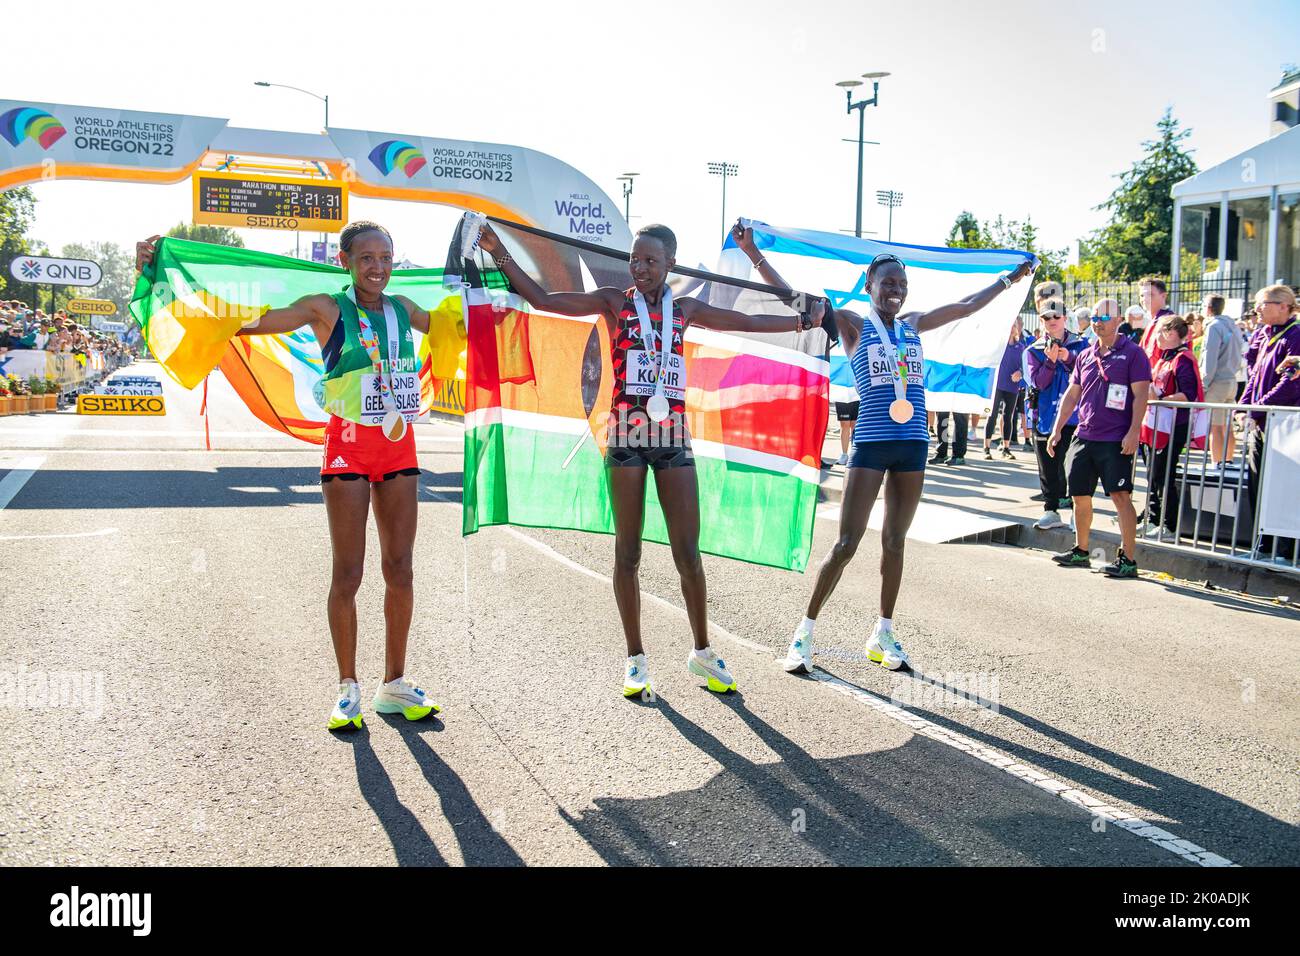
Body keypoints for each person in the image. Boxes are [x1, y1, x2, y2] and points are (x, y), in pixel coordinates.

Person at [477, 220, 823, 698]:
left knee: (688, 554)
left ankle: (701, 651)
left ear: (670, 265)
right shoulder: (614, 302)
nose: (639, 268)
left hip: (673, 436)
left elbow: (748, 323)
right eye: (634, 260)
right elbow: (544, 301)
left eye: (650, 261)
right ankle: (635, 659)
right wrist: (499, 252)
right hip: (626, 435)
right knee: (629, 552)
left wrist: (803, 322)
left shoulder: (686, 310)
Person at [137, 222, 447, 732]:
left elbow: (461, 325)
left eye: (385, 256)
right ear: (346, 261)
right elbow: (249, 323)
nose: (377, 266)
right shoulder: (324, 307)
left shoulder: (404, 310)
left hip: (399, 449)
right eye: (366, 257)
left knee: (402, 569)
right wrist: (163, 276)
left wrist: (493, 276)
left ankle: (393, 683)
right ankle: (346, 688)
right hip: (347, 450)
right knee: (348, 574)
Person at [781, 252, 1033, 674]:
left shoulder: (913, 325)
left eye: (901, 284)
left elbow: (968, 306)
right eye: (888, 283)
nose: (895, 290)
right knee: (845, 545)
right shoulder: (852, 325)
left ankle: (882, 634)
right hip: (871, 446)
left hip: (913, 444)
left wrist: (1009, 279)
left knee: (895, 543)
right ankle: (803, 634)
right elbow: (794, 299)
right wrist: (754, 255)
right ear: (869, 284)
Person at [1047, 300, 1152, 578]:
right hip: (1085, 435)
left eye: (1104, 316)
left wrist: (1133, 431)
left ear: (1118, 319)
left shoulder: (1133, 353)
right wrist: (1057, 429)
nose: (1098, 321)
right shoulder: (1085, 354)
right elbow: (1072, 395)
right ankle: (1081, 551)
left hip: (1116, 439)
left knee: (1120, 496)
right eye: (1094, 317)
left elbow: (1141, 394)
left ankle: (1127, 559)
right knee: (1079, 496)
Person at [1238, 284, 1300, 562]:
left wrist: (1258, 409)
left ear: (1284, 306)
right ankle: (1263, 544)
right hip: (1262, 423)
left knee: (1284, 487)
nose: (1257, 309)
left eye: (1264, 303)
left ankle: (1286, 549)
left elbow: (1291, 383)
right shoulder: (1263, 335)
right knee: (1257, 483)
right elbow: (1253, 377)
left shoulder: (1295, 336)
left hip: (1285, 424)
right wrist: (1244, 406)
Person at [1025, 298, 1089, 528]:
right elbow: (1038, 383)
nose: (1051, 321)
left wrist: (1068, 358)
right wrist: (1051, 362)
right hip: (1045, 417)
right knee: (1048, 467)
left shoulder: (1081, 346)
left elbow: (1088, 378)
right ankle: (1051, 510)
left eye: (1056, 316)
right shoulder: (1033, 350)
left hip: (1075, 417)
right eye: (1046, 317)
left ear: (1064, 318)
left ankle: (1076, 514)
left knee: (1075, 467)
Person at [1142, 314, 1203, 534]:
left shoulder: (1183, 358)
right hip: (1157, 423)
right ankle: (1153, 517)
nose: (1155, 337)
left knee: (1164, 474)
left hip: (1174, 425)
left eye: (1158, 332)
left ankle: (1169, 525)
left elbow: (1188, 394)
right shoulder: (1164, 358)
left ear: (1170, 333)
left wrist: (1159, 400)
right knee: (1153, 473)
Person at [1198, 294, 1245, 465]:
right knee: (1227, 425)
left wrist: (1204, 384)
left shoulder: (1214, 327)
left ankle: (1217, 463)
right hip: (1232, 379)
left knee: (1215, 426)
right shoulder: (1233, 326)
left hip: (1217, 381)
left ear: (1208, 309)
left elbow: (1210, 357)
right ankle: (1228, 460)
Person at [984, 317, 1028, 460]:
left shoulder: (1021, 347)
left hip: (1012, 386)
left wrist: (1020, 373)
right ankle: (986, 448)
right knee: (992, 415)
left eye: (1013, 326)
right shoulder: (998, 345)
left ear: (1016, 328)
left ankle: (1006, 448)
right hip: (997, 385)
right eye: (1009, 325)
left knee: (1008, 416)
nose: (1011, 328)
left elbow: (1025, 367)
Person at [1136, 277, 1175, 367]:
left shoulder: (1171, 323)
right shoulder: (1152, 322)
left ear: (1164, 296)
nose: (1144, 299)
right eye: (1142, 295)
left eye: (1150, 295)